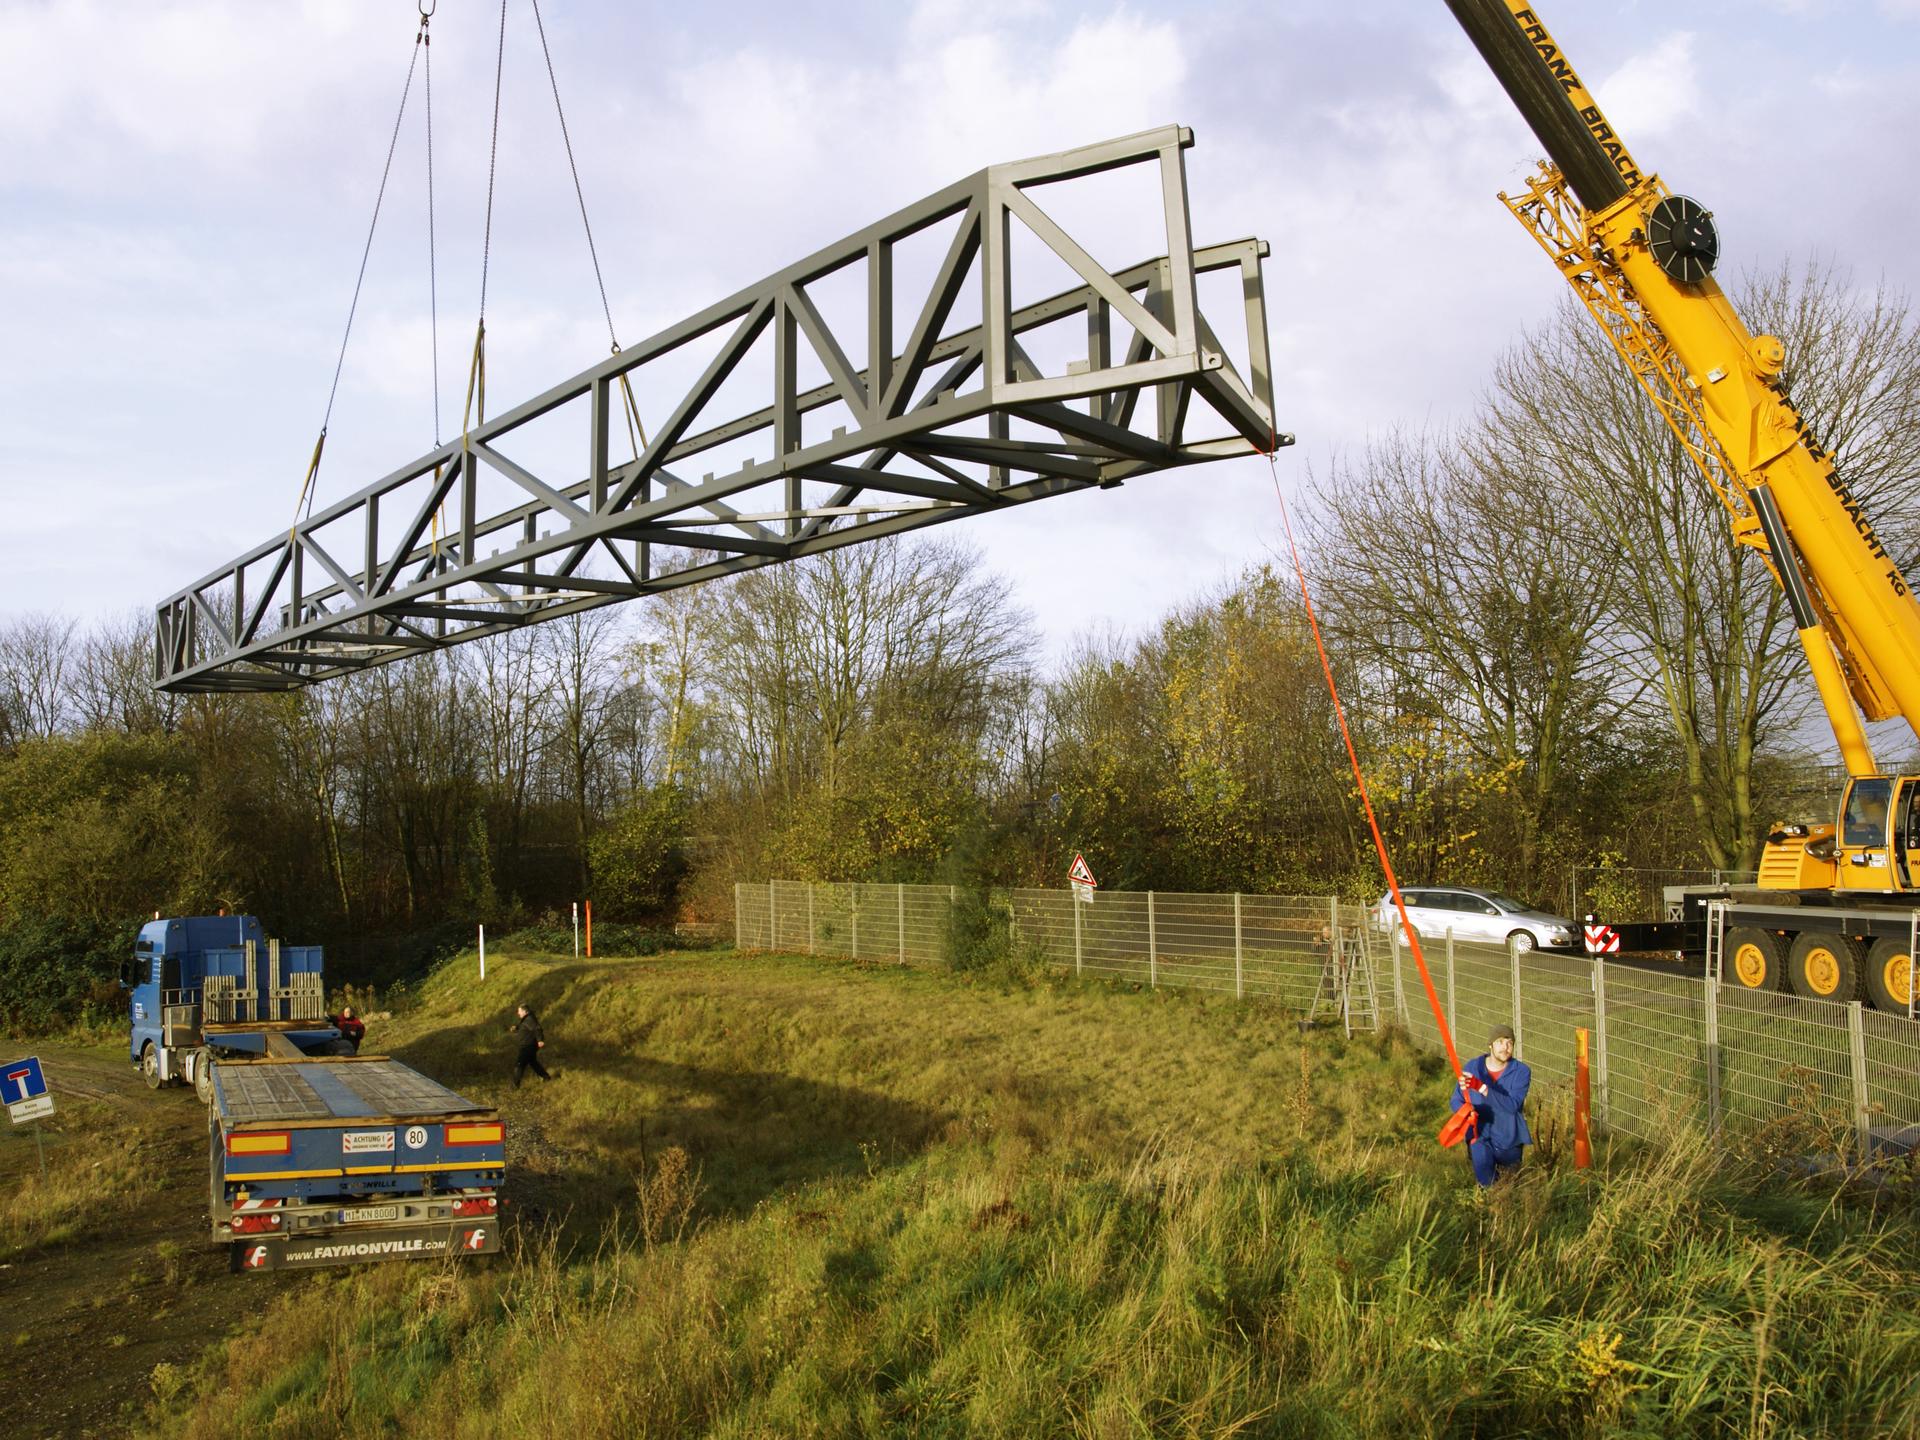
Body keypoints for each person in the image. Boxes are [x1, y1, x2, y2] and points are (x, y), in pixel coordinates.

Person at [1449, 1022, 1531, 1187]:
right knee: (1487, 1185)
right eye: (1500, 1042)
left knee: (1510, 1187)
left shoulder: (1521, 1072)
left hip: (1509, 1138)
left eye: (1510, 1043)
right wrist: (1466, 1112)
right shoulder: (1473, 1067)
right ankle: (1486, 1206)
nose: (1505, 1047)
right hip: (1479, 1136)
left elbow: (1512, 1105)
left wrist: (1482, 1088)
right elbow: (1456, 1099)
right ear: (1490, 1045)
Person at [507, 1002, 551, 1087]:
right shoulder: (527, 1019)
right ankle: (546, 1077)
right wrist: (517, 1027)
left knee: (519, 1064)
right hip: (528, 1046)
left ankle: (514, 1086)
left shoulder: (530, 1019)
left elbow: (537, 1029)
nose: (518, 1013)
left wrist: (540, 1040)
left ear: (525, 1011)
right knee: (533, 1063)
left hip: (528, 1046)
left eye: (519, 1011)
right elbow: (525, 1026)